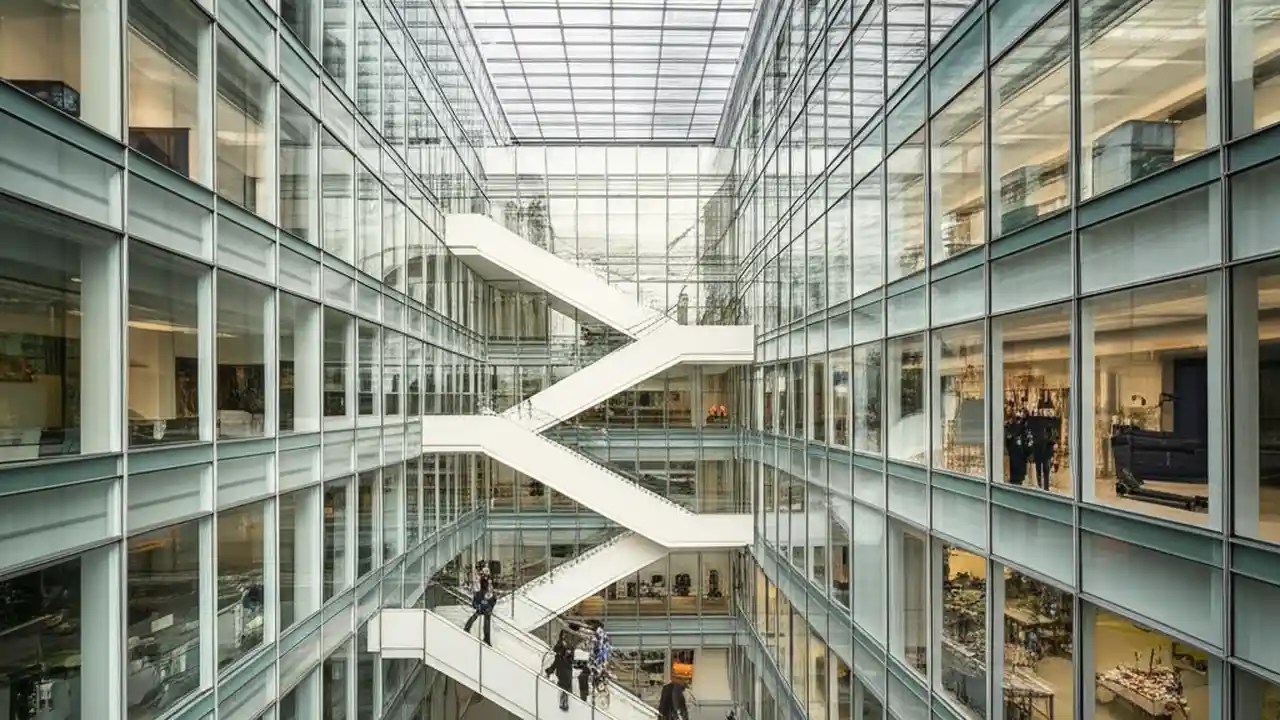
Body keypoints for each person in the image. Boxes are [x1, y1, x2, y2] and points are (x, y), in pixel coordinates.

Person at [545, 633, 576, 711]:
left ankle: (564, 703)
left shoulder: (562, 654)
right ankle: (565, 703)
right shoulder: (567, 649)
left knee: (564, 687)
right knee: (566, 687)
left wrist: (548, 671)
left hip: (564, 672)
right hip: (566, 672)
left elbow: (554, 665)